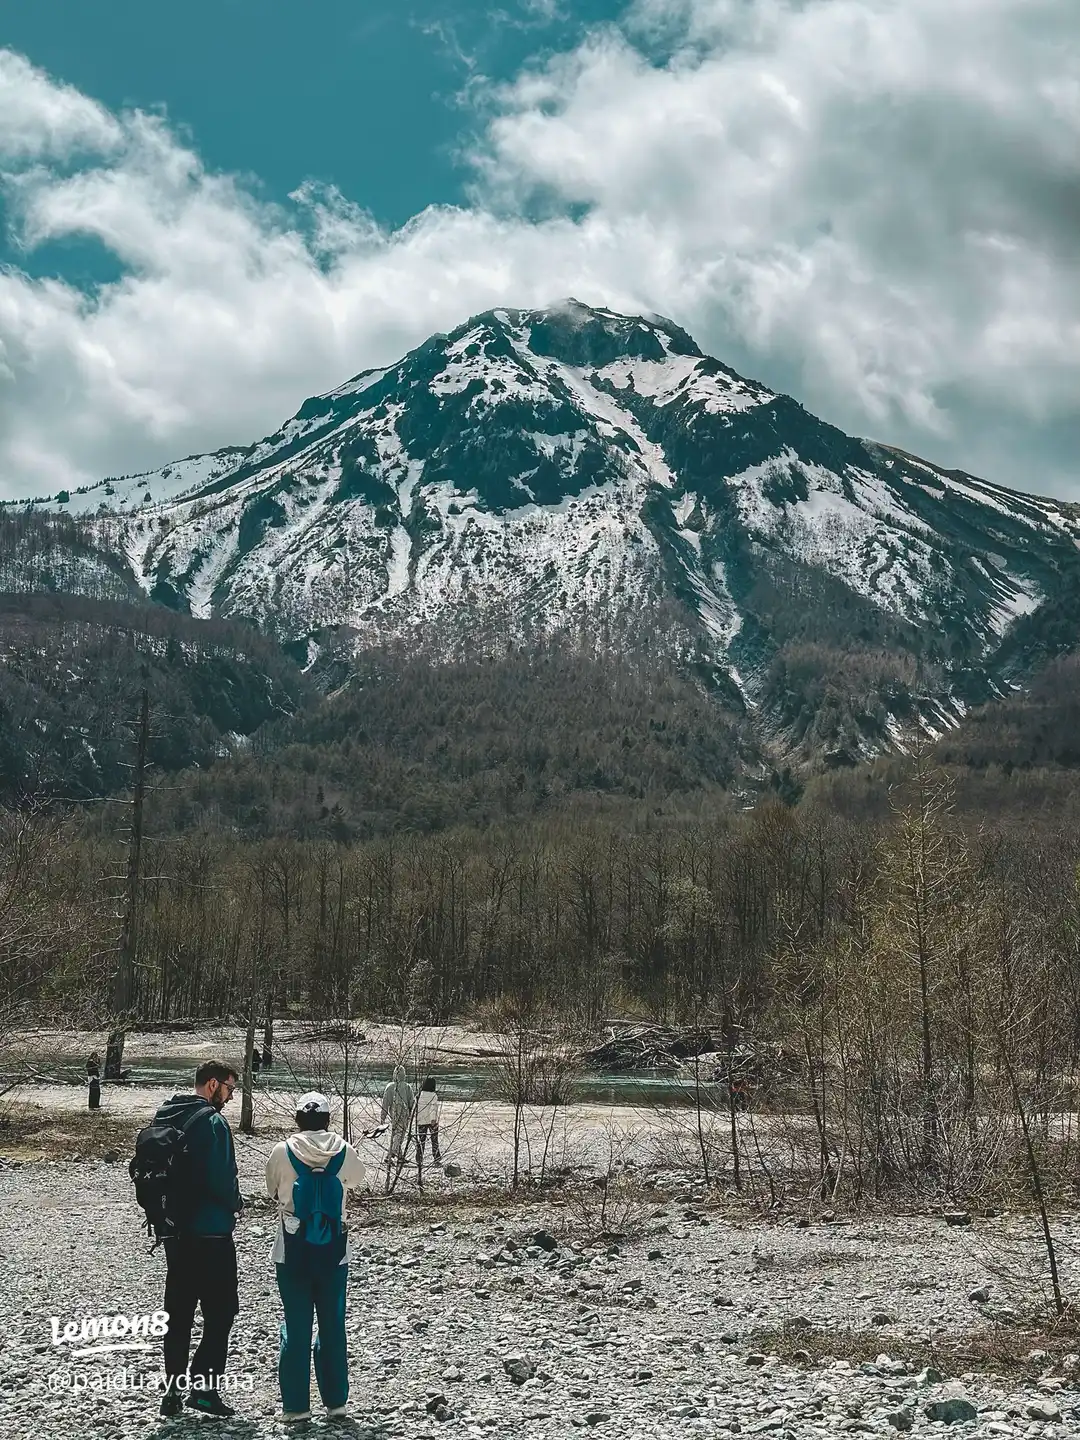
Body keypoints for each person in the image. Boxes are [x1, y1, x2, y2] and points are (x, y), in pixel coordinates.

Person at [266, 1093, 366, 1425]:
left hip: (291, 1251)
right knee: (333, 1326)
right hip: (334, 1254)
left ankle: (296, 1408)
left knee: (296, 1327)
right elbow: (357, 1179)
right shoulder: (344, 1151)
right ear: (327, 1119)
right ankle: (336, 1404)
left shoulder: (282, 1151)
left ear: (297, 1119)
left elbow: (272, 1190)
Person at [154, 1060, 243, 1419]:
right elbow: (223, 1181)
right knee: (221, 1313)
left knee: (178, 1316)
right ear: (212, 1084)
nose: (230, 1096)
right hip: (212, 1235)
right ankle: (204, 1391)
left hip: (175, 1234)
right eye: (229, 1088)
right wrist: (237, 1203)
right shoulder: (212, 1122)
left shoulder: (167, 1114)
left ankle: (172, 1394)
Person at [379, 1065, 414, 1172]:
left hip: (393, 1113)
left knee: (396, 1134)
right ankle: (390, 1155)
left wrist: (383, 1116)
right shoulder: (408, 1087)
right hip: (404, 1113)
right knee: (400, 1134)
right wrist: (411, 1115)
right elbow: (411, 1102)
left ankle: (400, 1156)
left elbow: (385, 1103)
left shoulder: (390, 1087)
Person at [415, 1078, 441, 1166]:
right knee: (434, 1140)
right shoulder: (433, 1095)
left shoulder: (419, 1095)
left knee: (421, 1141)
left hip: (421, 1120)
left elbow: (416, 1108)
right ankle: (436, 1158)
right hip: (431, 1121)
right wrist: (433, 1119)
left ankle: (419, 1158)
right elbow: (433, 1108)